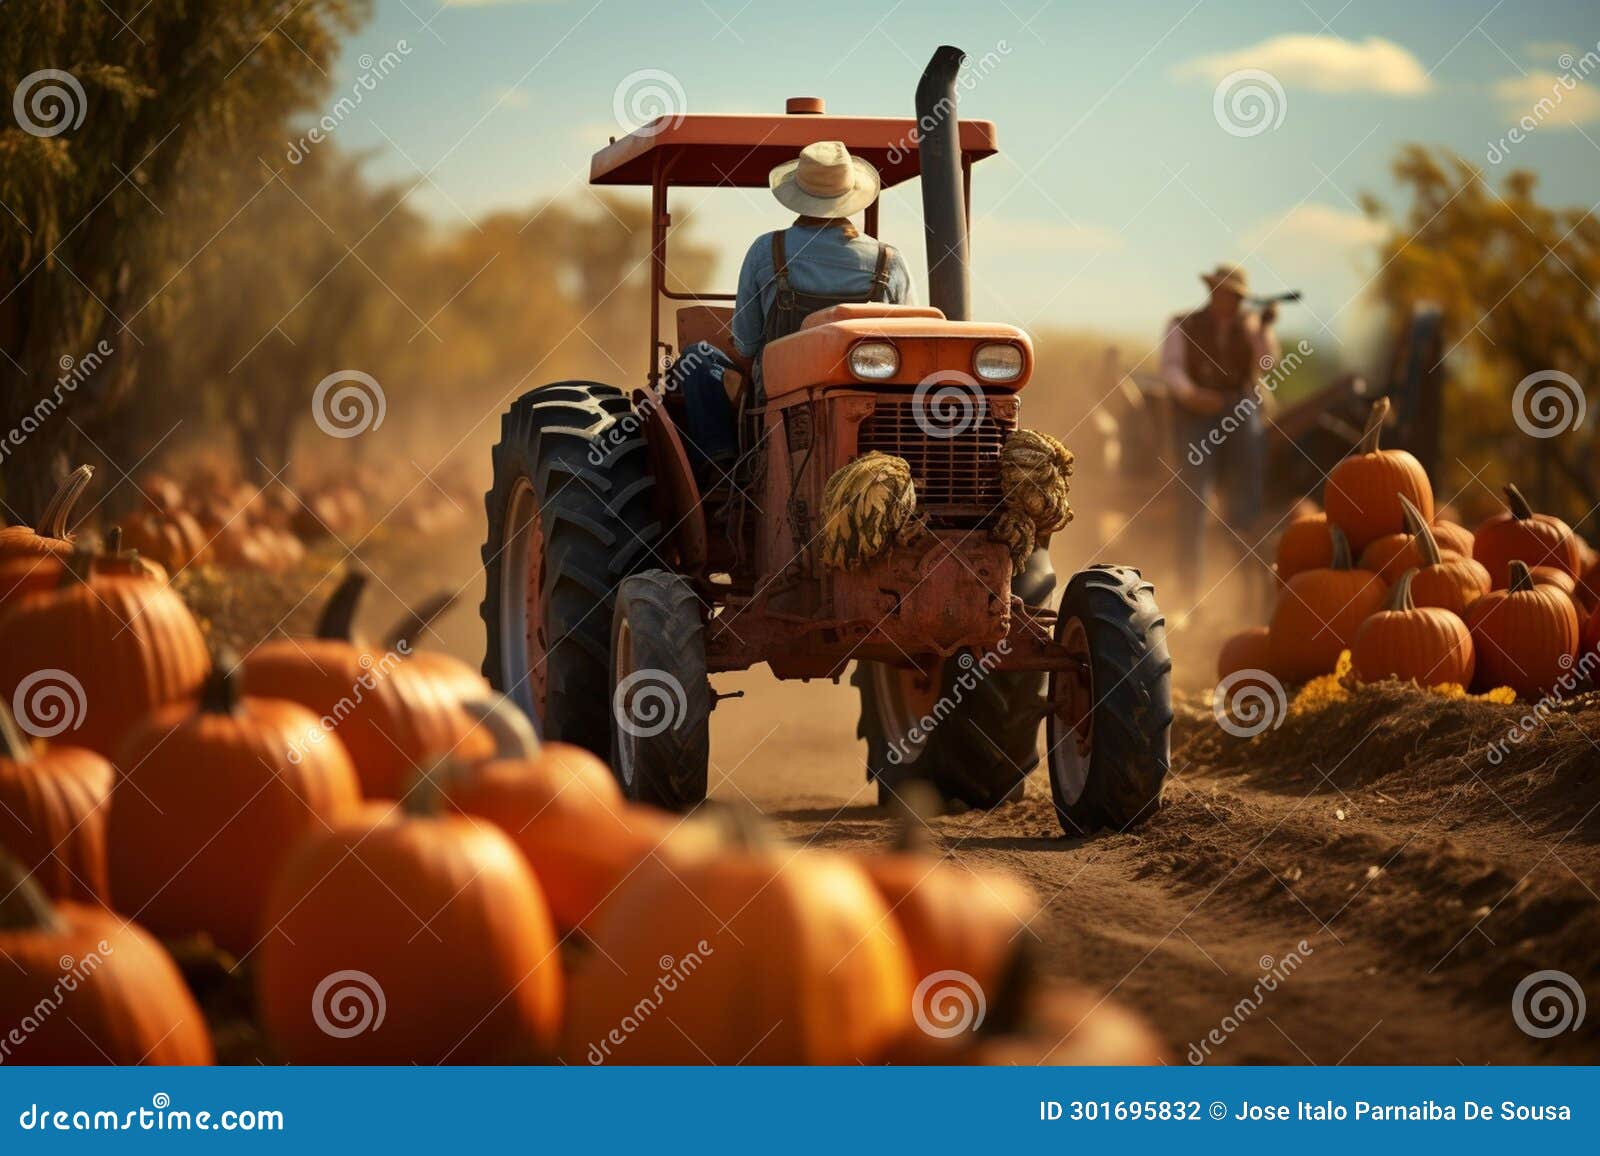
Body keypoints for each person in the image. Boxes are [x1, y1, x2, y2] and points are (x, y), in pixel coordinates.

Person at [675, 140, 913, 477]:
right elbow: (908, 341)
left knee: (696, 357)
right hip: (870, 407)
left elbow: (746, 344)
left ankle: (721, 465)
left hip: (780, 400)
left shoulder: (766, 251)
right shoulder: (889, 261)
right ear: (850, 194)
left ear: (797, 193)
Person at [1160, 264, 1280, 618]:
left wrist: (1265, 328)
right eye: (1228, 294)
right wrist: (1193, 396)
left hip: (1238, 409)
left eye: (1237, 297)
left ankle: (1243, 580)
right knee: (1193, 496)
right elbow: (1171, 369)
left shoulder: (1251, 327)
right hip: (1196, 413)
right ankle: (1189, 591)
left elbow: (1268, 363)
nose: (1232, 301)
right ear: (1214, 292)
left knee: (1247, 488)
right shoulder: (1182, 325)